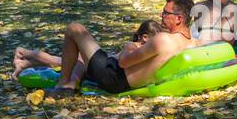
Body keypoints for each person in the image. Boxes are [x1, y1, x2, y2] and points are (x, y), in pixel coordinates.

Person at [44, 0, 197, 97]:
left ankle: (62, 84)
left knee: (74, 28)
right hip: (128, 81)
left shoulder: (163, 39)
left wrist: (130, 45)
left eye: (165, 13)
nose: (161, 15)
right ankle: (68, 82)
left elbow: (123, 62)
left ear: (179, 18)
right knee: (82, 55)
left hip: (113, 77)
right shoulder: (194, 43)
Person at [12, 19, 165, 82]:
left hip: (104, 62)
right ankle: (24, 53)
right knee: (60, 61)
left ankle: (25, 63)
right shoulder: (135, 47)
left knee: (62, 61)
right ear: (145, 38)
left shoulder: (137, 47)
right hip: (103, 66)